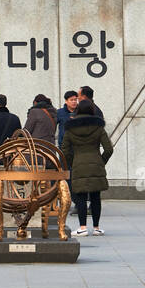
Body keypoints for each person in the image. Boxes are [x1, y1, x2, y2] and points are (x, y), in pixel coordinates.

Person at [61, 98, 113, 236]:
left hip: (78, 164)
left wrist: (73, 162)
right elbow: (108, 149)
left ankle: (82, 227)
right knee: (96, 196)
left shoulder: (70, 128)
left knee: (80, 197)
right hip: (96, 163)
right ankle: (96, 228)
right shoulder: (98, 127)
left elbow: (64, 150)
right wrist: (101, 161)